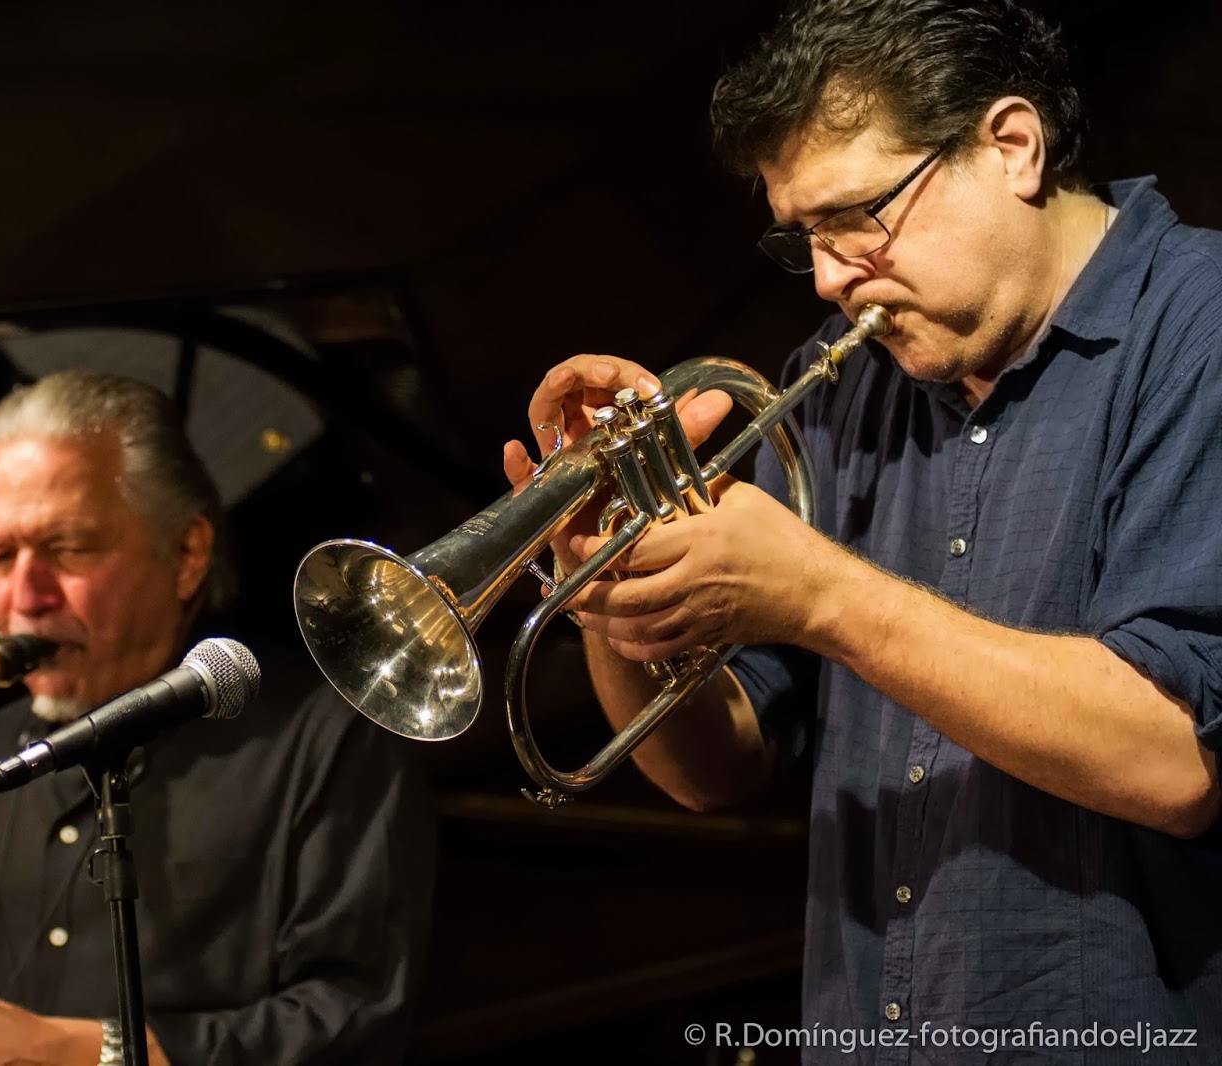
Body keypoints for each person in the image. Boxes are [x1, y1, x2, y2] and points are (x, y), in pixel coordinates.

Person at [504, 0, 1222, 1054]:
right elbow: (714, 767)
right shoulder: (832, 388)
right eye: (806, 237)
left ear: (1010, 146)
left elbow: (1176, 762)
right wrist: (617, 589)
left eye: (858, 218)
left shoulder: (1198, 326)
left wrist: (821, 593)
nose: (835, 277)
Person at [0, 370, 434, 1066]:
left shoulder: (327, 739)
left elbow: (357, 1023)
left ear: (187, 555)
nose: (24, 597)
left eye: (67, 548)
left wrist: (89, 1053)